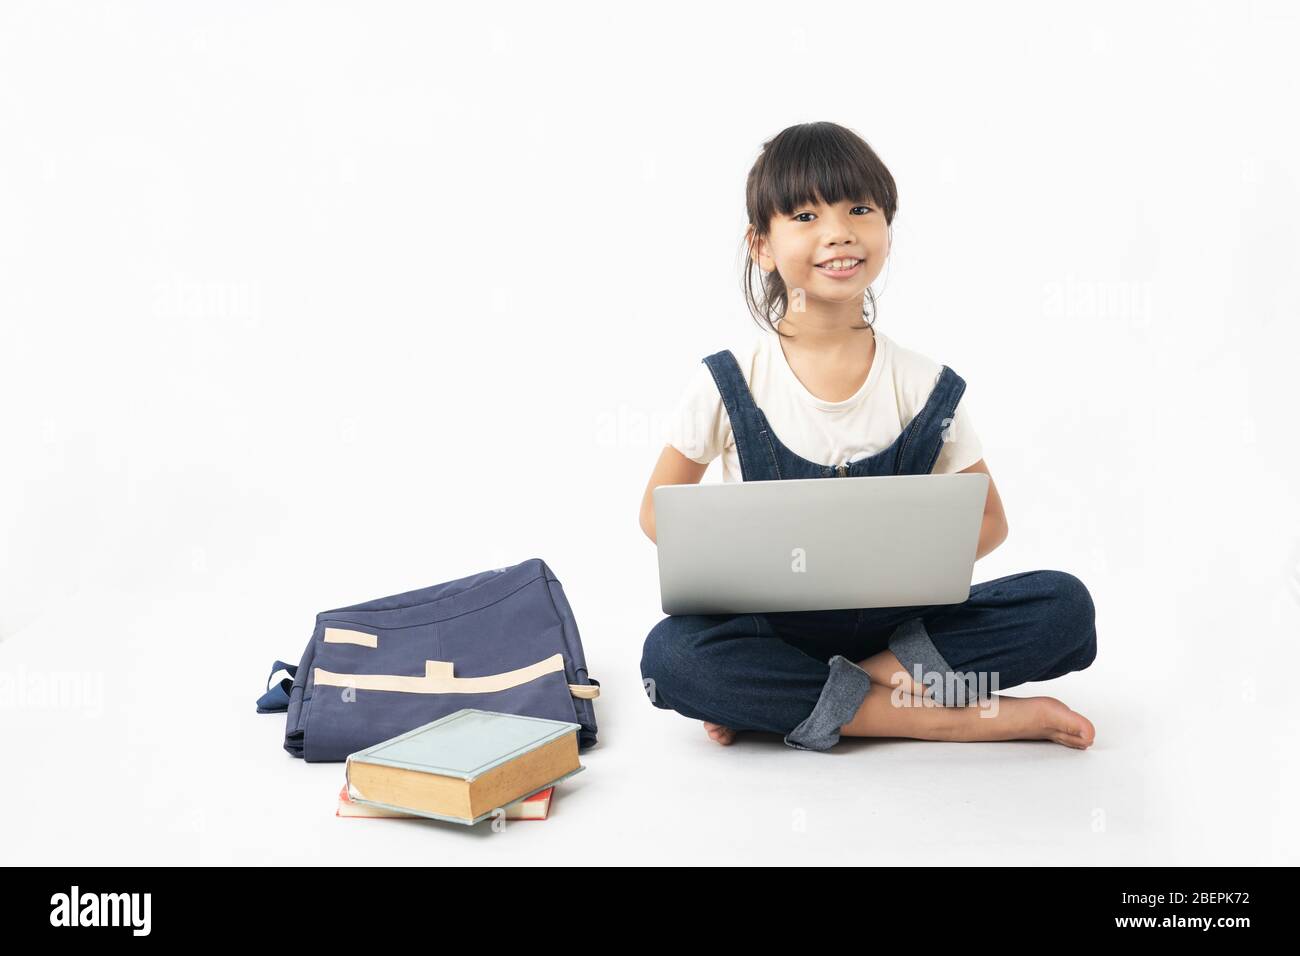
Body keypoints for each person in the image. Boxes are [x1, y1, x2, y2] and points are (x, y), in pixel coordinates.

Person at [638, 122, 1097, 753]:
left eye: (859, 209)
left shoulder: (922, 383)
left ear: (887, 229)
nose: (838, 232)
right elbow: (657, 512)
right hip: (775, 632)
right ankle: (946, 718)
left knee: (1064, 606)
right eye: (805, 216)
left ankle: (806, 698)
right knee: (673, 656)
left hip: (902, 635)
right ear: (762, 245)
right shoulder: (729, 381)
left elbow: (990, 521)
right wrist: (749, 563)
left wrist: (905, 564)